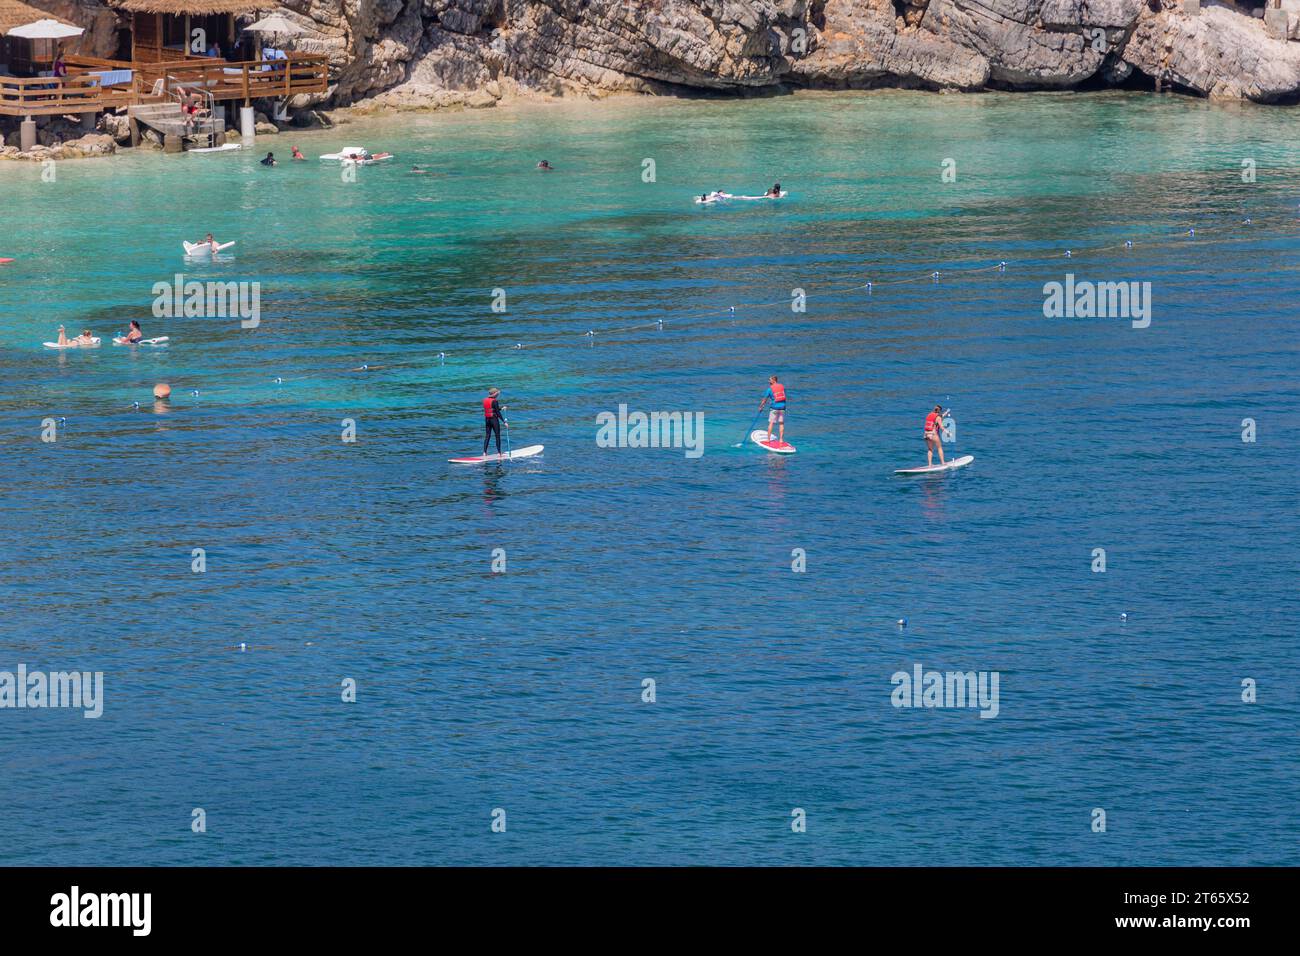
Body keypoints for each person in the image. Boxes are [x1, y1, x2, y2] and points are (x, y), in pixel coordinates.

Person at [758, 375, 787, 445]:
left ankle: (768, 440)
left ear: (774, 380)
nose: (769, 381)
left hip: (774, 408)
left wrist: (760, 407)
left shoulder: (769, 389)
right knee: (781, 423)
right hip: (783, 407)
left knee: (771, 423)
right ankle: (781, 440)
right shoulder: (781, 386)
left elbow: (764, 399)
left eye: (770, 380)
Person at [482, 387, 508, 456]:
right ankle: (499, 453)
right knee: (497, 436)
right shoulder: (495, 401)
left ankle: (484, 452)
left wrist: (501, 408)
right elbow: (497, 413)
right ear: (494, 394)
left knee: (487, 436)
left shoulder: (485, 400)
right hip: (494, 420)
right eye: (497, 393)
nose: (498, 394)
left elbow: (493, 409)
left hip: (487, 420)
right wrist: (504, 422)